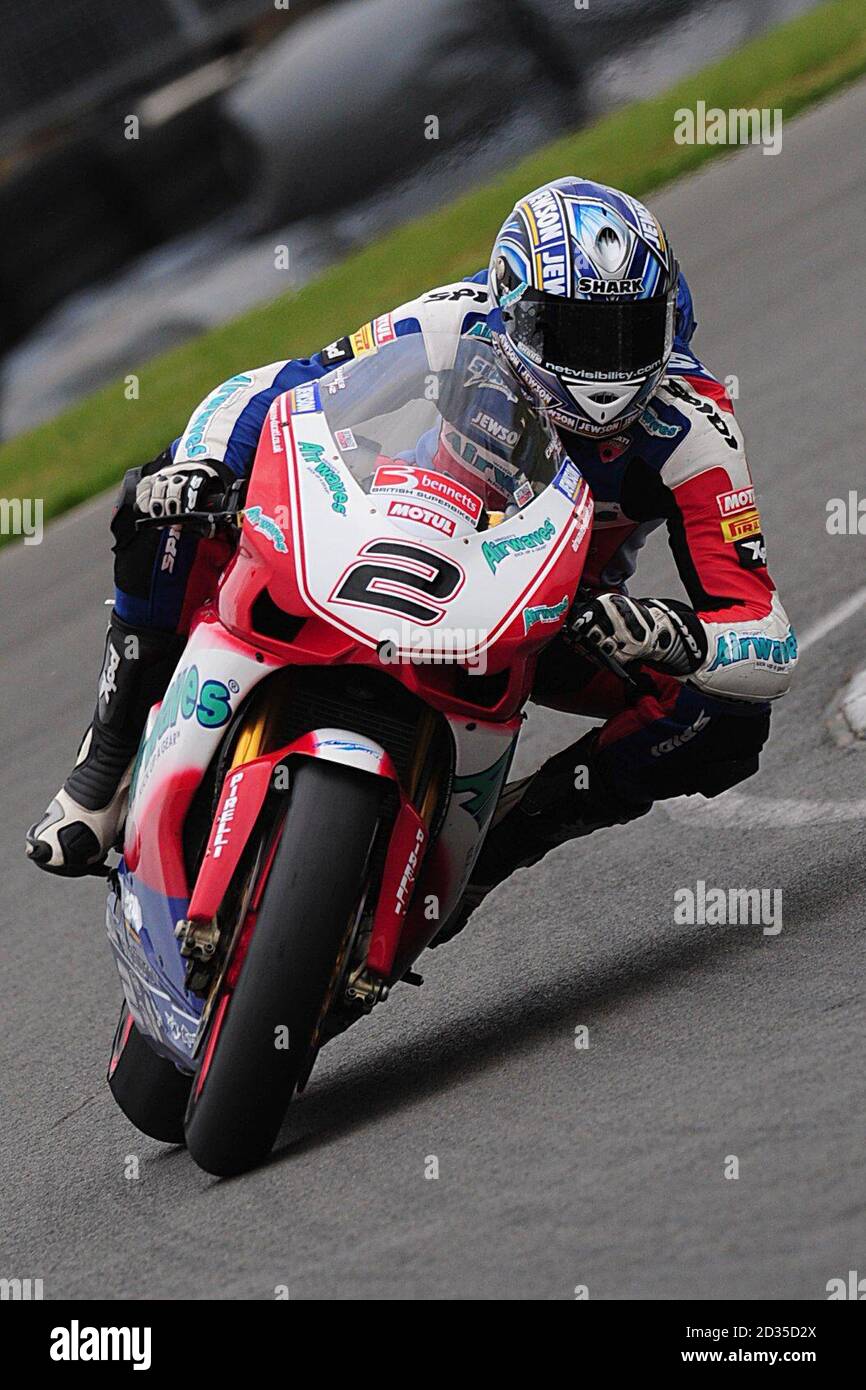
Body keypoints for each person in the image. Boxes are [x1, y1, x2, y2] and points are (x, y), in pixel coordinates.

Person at [27, 177, 797, 934]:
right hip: (376, 532)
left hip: (543, 619)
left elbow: (764, 630)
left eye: (628, 336)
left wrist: (678, 635)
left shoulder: (694, 428)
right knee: (163, 496)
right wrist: (202, 464)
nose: (604, 368)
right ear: (513, 309)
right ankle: (107, 761)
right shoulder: (452, 319)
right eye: (576, 336)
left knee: (726, 719)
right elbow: (271, 388)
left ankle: (504, 844)